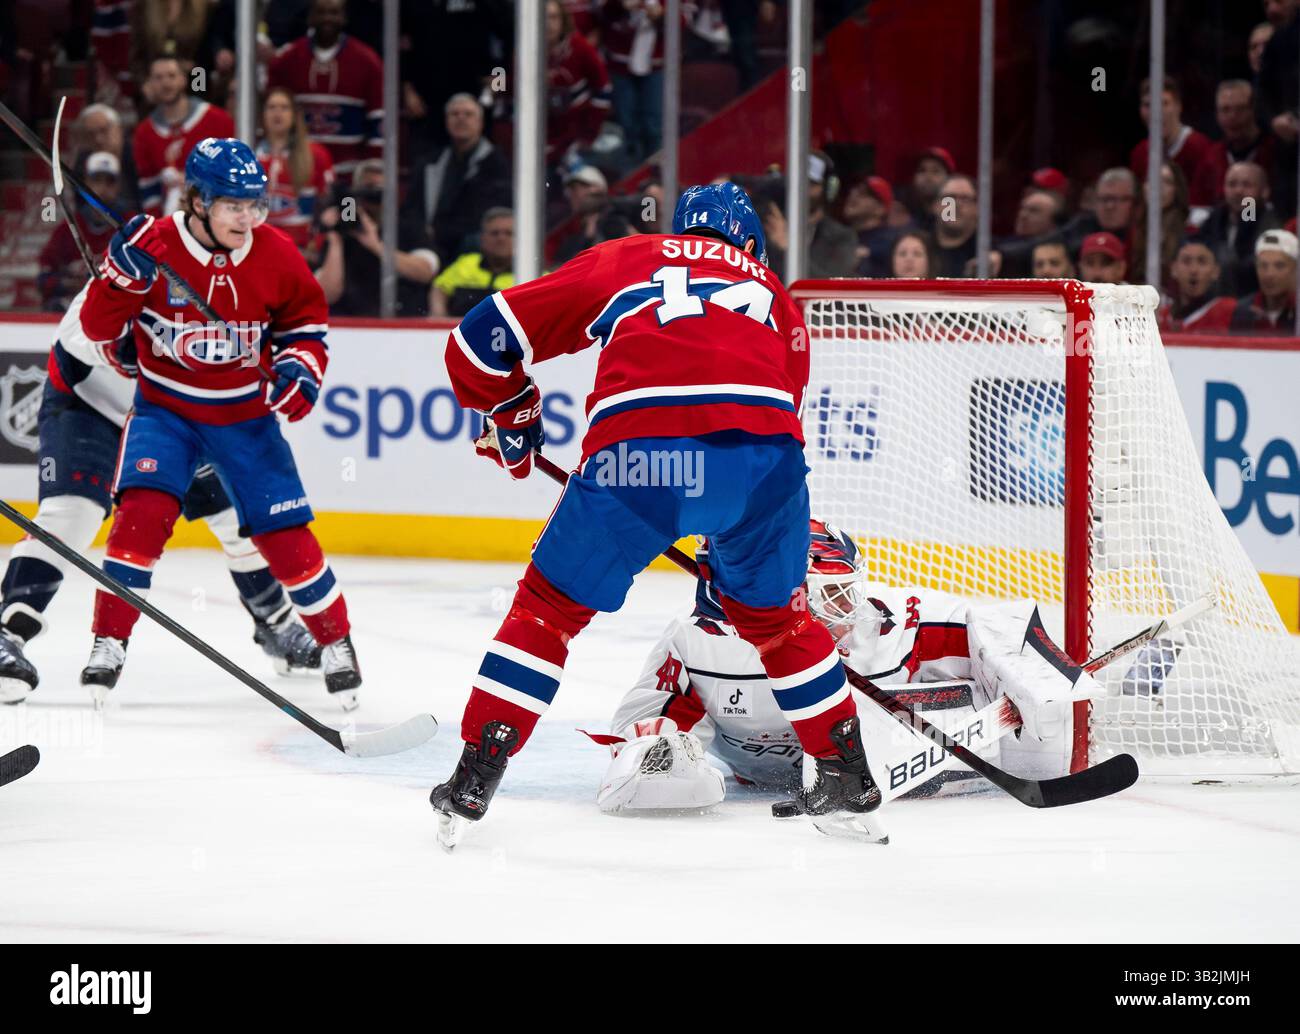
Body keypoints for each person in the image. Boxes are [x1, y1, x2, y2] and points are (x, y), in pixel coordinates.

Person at [430, 183, 882, 848]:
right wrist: (727, 535)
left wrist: (515, 409)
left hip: (641, 463)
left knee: (546, 614)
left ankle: (476, 776)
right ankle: (848, 776)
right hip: (764, 469)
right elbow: (771, 416)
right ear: (752, 246)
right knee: (783, 626)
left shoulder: (628, 257)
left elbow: (476, 341)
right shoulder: (779, 299)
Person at [64, 137, 362, 703]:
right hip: (166, 411)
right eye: (233, 205)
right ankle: (109, 641)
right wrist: (121, 276)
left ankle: (336, 641)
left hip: (245, 418)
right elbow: (101, 331)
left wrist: (301, 369)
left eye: (255, 204)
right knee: (141, 515)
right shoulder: (150, 246)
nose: (248, 218)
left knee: (285, 534)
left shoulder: (274, 251)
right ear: (197, 202)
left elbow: (304, 319)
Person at [594, 521, 1095, 815]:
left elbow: (989, 623)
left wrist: (1032, 673)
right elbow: (642, 742)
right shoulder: (696, 644)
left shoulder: (880, 625)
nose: (850, 609)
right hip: (763, 783)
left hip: (884, 772)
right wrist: (660, 752)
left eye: (847, 591)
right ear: (785, 592)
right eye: (832, 594)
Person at [0, 295, 323, 704]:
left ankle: (276, 623)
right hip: (89, 407)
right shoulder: (136, 265)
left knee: (238, 516)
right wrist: (111, 346)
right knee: (73, 513)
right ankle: (8, 632)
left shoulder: (240, 280)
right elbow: (74, 333)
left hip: (177, 416)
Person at [266, 0, 384, 181]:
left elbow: (378, 125)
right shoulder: (287, 60)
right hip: (299, 173)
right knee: (298, 211)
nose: (327, 18)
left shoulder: (368, 61)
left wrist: (372, 172)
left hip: (348, 176)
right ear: (310, 17)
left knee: (348, 211)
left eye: (334, 12)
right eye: (321, 12)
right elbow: (269, 114)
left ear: (344, 17)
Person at [315, 158, 441, 317]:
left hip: (404, 323)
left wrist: (377, 246)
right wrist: (335, 237)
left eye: (381, 190)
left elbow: (425, 272)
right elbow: (326, 295)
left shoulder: (409, 226)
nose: (375, 197)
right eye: (368, 189)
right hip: (352, 323)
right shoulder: (344, 229)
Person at [402, 93, 511, 268]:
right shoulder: (430, 162)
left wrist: (438, 232)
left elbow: (486, 214)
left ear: (480, 123)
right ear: (446, 121)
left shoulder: (496, 163)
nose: (461, 119)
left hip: (469, 245)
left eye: (468, 114)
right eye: (455, 114)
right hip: (429, 244)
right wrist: (421, 233)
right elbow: (412, 207)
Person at [132, 54, 236, 216]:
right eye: (158, 78)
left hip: (215, 218)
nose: (166, 83)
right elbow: (149, 189)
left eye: (171, 76)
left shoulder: (218, 120)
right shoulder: (144, 133)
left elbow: (232, 173)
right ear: (150, 84)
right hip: (170, 223)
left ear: (183, 79)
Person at [37, 153, 124, 312]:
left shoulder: (130, 227)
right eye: (96, 180)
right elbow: (44, 279)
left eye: (109, 181)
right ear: (85, 183)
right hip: (75, 309)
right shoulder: (68, 228)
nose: (102, 188)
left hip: (115, 312)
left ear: (118, 186)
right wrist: (68, 284)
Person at [256, 86, 335, 253]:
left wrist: (318, 242)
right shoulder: (250, 154)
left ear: (294, 115)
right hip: (258, 249)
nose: (277, 113)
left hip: (301, 252)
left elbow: (329, 204)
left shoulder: (316, 155)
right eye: (271, 107)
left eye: (284, 108)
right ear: (262, 114)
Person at [765, 153, 860, 280]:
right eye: (797, 181)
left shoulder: (842, 237)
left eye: (810, 184)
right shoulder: (772, 226)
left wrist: (787, 250)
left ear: (827, 189)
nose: (800, 189)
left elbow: (831, 284)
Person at [1195, 161, 1282, 297]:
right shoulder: (1216, 218)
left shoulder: (1269, 223)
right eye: (1232, 184)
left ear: (1264, 191)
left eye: (1246, 185)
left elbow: (1254, 265)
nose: (1238, 191)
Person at [544, 0, 612, 166]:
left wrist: (588, 135)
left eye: (554, 17)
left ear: (563, 21)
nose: (548, 24)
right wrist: (497, 85)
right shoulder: (523, 48)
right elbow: (499, 76)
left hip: (574, 136)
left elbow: (604, 88)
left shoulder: (579, 47)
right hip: (539, 134)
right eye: (543, 17)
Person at [1191, 80, 1278, 209]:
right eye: (1225, 110)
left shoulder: (1275, 152)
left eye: (1240, 109)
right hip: (1222, 227)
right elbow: (1197, 207)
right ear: (1217, 114)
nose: (1232, 116)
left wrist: (1246, 219)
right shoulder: (1211, 156)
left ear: (1253, 110)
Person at [599, 0, 668, 164]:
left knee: (653, 124)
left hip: (655, 65)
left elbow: (684, 18)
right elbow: (600, 13)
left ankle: (654, 173)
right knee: (627, 123)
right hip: (620, 64)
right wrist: (620, 5)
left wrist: (661, 15)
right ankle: (630, 173)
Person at [1129, 76, 1213, 205]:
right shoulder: (1139, 153)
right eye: (1147, 105)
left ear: (1178, 106)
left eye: (1164, 103)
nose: (1155, 112)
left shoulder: (1201, 148)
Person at [430, 208, 515, 318]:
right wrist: (439, 316)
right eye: (495, 233)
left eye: (509, 233)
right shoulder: (466, 263)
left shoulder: (533, 273)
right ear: (482, 238)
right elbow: (439, 288)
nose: (501, 238)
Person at [1129, 160, 1190, 289]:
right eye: (1152, 180)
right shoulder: (1132, 231)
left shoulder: (1190, 232)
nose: (1158, 187)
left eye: (1167, 182)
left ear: (1177, 189)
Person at [1156, 239, 1235, 333]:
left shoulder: (1230, 310)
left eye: (1202, 262)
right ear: (1173, 269)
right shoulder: (1160, 317)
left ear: (1216, 271)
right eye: (1186, 261)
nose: (1193, 270)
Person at [1229, 228, 1298, 333]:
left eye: (1279, 266)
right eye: (1263, 266)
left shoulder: (1297, 312)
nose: (1269, 274)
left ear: (1295, 269)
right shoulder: (1244, 312)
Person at [842, 175, 899, 278]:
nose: (853, 195)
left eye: (863, 194)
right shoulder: (839, 236)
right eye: (854, 190)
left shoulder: (891, 241)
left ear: (880, 209)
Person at [932, 173, 978, 277]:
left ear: (976, 208)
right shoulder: (919, 247)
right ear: (935, 205)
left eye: (965, 199)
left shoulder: (987, 252)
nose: (956, 205)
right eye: (949, 198)